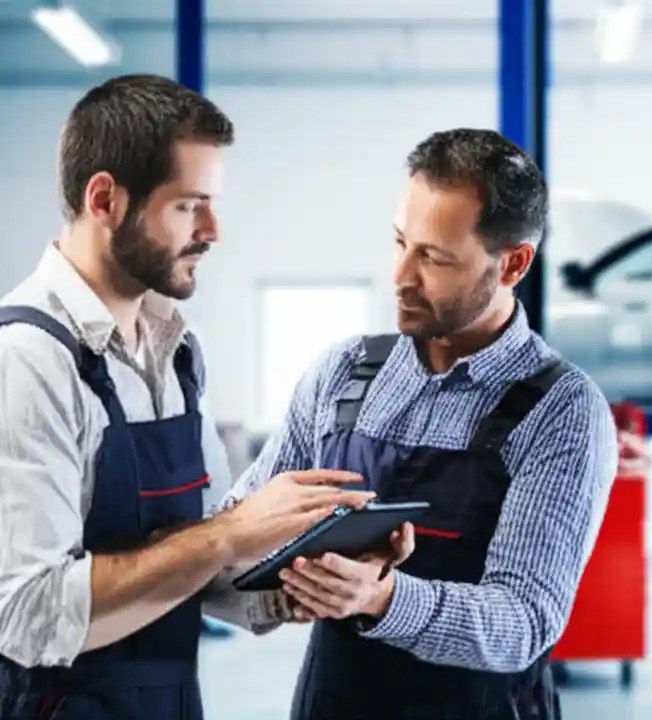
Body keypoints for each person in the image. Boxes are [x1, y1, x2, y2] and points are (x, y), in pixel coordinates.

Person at [0, 74, 373, 720]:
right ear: (105, 199)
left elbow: (194, 559)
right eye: (188, 205)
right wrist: (230, 533)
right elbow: (30, 617)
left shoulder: (176, 350)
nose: (213, 229)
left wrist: (299, 577)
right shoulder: (27, 361)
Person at [224, 128, 618, 719]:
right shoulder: (342, 375)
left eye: (433, 257)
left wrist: (382, 600)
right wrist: (284, 586)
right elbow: (237, 534)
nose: (401, 276)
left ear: (513, 264)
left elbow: (523, 621)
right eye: (399, 242)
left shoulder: (561, 410)